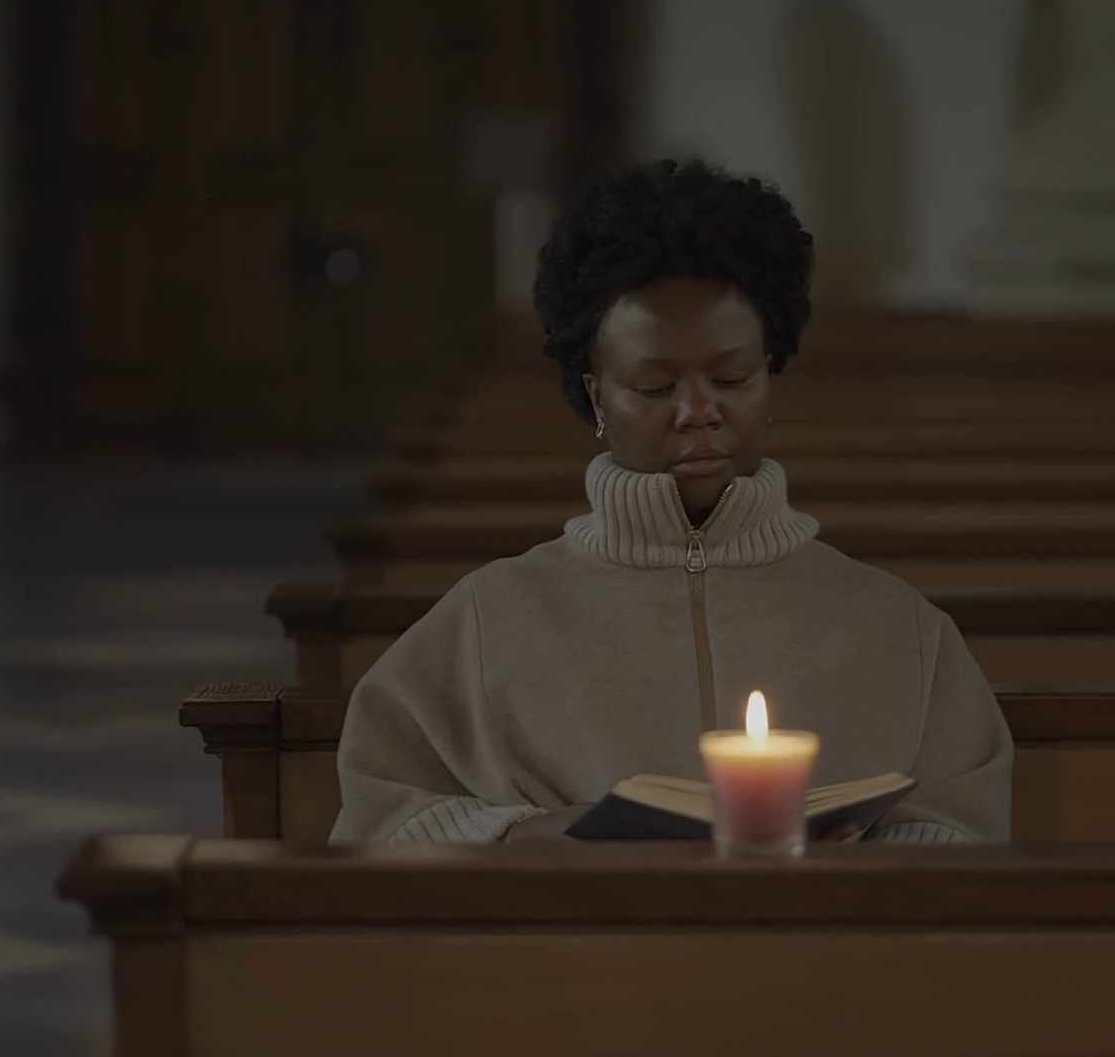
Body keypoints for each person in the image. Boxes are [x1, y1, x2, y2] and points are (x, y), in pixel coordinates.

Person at [330, 159, 1012, 845]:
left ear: (770, 374)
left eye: (732, 377)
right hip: (572, 950)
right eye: (656, 388)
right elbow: (381, 819)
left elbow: (962, 832)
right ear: (598, 394)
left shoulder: (898, 625)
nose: (698, 412)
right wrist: (526, 837)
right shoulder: (488, 618)